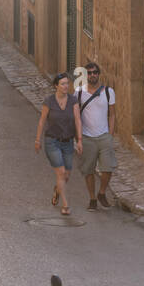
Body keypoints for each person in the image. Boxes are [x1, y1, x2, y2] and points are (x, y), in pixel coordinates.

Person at [35, 72, 83, 216]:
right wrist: (38, 140)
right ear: (56, 85)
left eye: (67, 83)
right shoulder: (49, 101)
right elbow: (42, 121)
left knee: (66, 175)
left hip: (68, 142)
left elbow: (77, 120)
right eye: (62, 84)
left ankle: (57, 189)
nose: (66, 86)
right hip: (52, 141)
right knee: (61, 172)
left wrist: (79, 140)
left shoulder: (73, 101)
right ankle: (65, 205)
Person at [76, 61, 117, 210]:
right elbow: (75, 116)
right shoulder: (79, 92)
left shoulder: (108, 92)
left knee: (108, 168)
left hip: (104, 136)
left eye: (95, 72)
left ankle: (101, 193)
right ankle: (92, 198)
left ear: (99, 74)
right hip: (87, 137)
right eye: (90, 73)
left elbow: (112, 115)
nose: (93, 75)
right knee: (88, 170)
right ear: (86, 75)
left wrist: (110, 135)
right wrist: (78, 138)